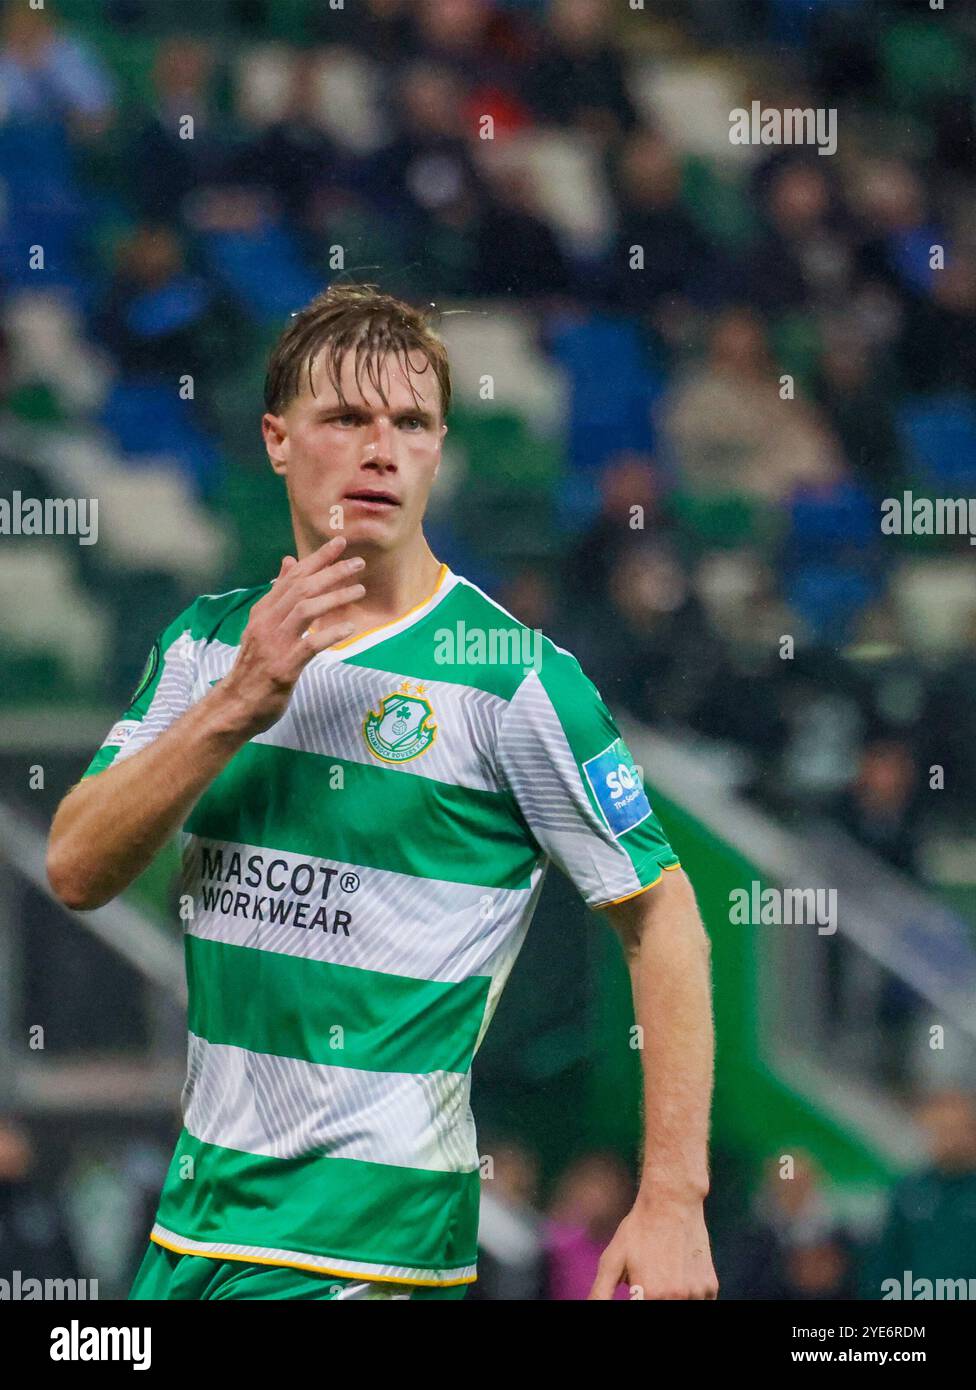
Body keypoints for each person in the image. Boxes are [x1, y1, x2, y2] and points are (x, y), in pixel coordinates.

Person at [46, 283, 716, 1302]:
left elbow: (663, 914)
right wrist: (237, 705)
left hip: (369, 1247)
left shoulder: (512, 678)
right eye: (346, 419)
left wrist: (672, 1196)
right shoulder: (205, 646)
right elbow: (74, 868)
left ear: (440, 448)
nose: (380, 449)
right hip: (194, 1231)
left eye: (410, 422)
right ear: (277, 439)